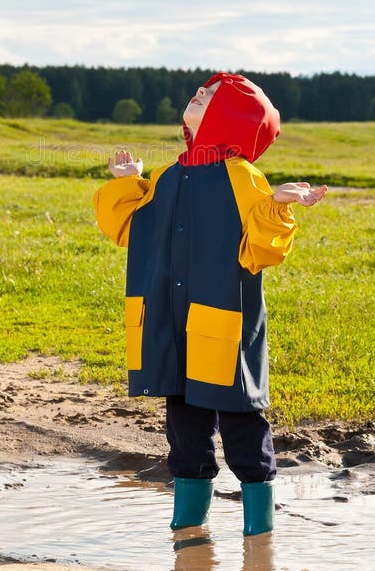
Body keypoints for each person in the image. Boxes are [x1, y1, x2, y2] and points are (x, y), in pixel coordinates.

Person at [93, 73, 327, 536]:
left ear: (232, 116)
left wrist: (278, 205)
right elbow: (130, 229)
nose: (198, 92)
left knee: (241, 420)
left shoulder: (242, 176)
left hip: (223, 322)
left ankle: (259, 534)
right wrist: (129, 182)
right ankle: (188, 528)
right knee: (183, 428)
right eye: (201, 90)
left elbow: (260, 250)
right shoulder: (168, 175)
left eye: (212, 94)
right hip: (172, 323)